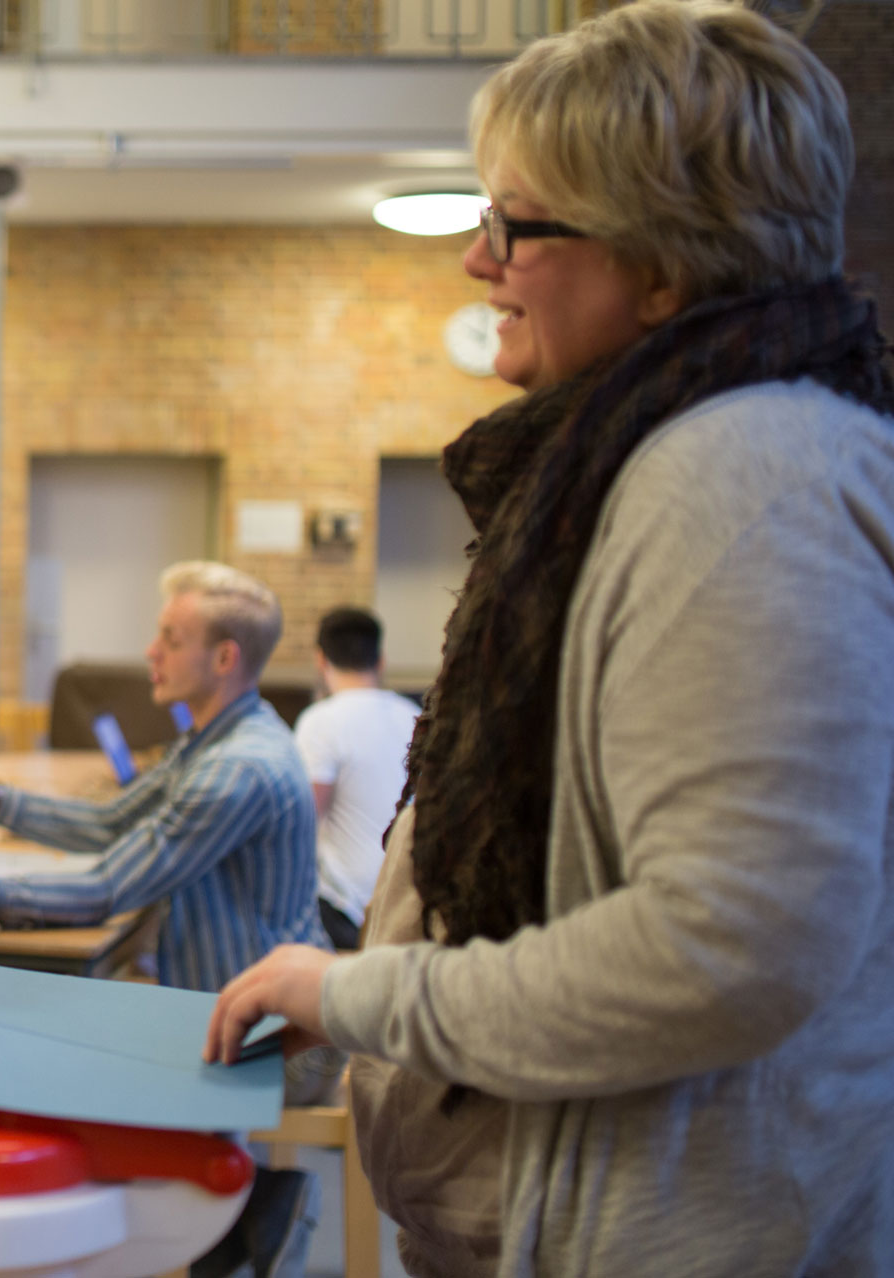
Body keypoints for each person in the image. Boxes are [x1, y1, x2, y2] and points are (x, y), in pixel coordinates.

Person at [206, 4, 894, 1274]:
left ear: (661, 268)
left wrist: (358, 994)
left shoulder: (741, 482)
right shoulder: (662, 462)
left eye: (511, 226)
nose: (477, 263)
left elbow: (725, 950)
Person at [0, 560, 327, 994]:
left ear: (225, 658)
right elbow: (110, 823)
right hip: (230, 1005)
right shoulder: (212, 740)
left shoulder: (235, 770)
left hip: (270, 1034)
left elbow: (109, 886)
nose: (152, 651)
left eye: (171, 640)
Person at [292, 607, 417, 950]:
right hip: (406, 901)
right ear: (381, 660)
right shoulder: (414, 716)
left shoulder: (319, 721)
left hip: (346, 913)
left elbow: (304, 820)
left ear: (321, 660)